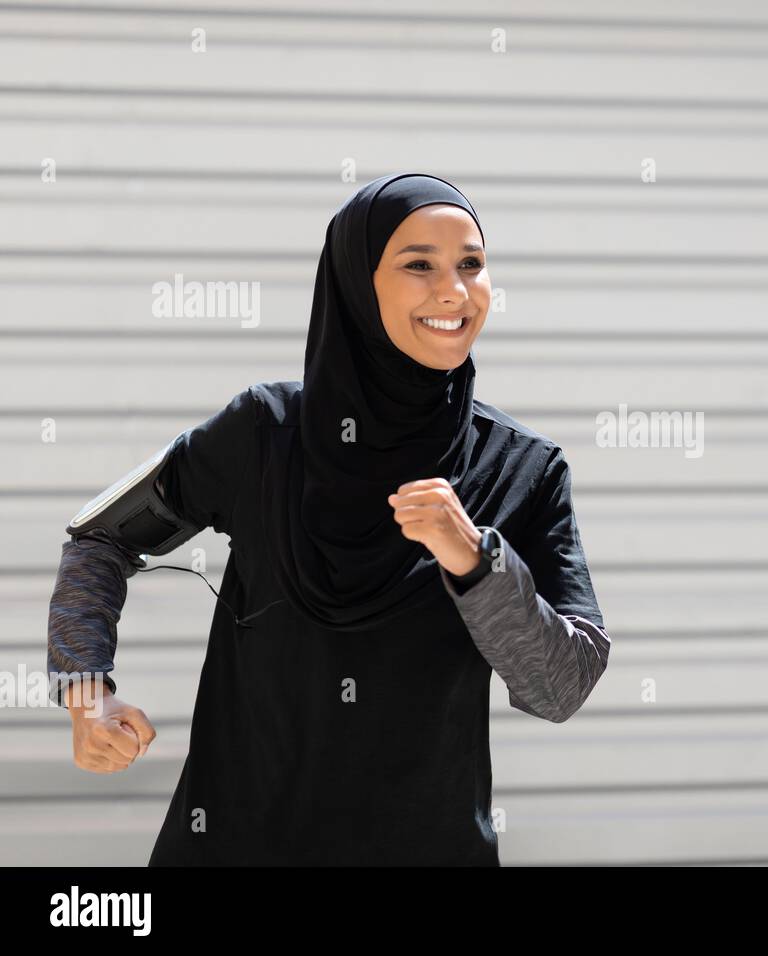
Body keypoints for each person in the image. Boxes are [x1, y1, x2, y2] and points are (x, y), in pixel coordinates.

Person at [46, 172, 611, 865]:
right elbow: (101, 537)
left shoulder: (522, 469)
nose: (455, 292)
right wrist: (85, 691)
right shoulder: (265, 431)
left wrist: (477, 559)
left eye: (471, 264)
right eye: (419, 266)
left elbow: (562, 687)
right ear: (355, 282)